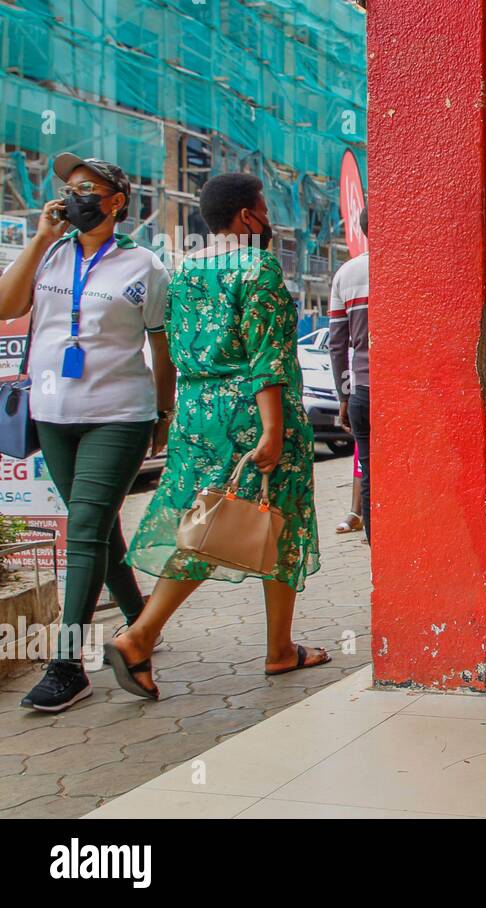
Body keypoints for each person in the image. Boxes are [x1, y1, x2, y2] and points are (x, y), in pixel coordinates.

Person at [106, 172, 327, 699]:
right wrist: (272, 430)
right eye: (265, 209)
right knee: (280, 521)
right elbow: (267, 358)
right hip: (254, 413)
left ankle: (273, 648)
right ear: (248, 216)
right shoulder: (259, 267)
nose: (270, 220)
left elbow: (178, 349)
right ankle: (142, 636)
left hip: (198, 412)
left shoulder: (185, 272)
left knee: (207, 523)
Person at [0, 154, 174, 712]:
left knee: (85, 528)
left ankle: (67, 664)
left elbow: (161, 347)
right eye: (69, 189)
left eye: (87, 189)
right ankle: (140, 619)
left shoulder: (143, 264)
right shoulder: (50, 253)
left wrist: (163, 414)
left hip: (119, 413)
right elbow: (6, 307)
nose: (74, 196)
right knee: (98, 528)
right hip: (52, 411)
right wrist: (39, 237)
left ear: (116, 201)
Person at [328, 205, 370, 539]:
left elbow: (337, 346)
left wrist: (343, 396)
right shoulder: (406, 268)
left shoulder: (346, 274)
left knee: (368, 470)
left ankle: (375, 543)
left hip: (362, 391)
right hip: (401, 391)